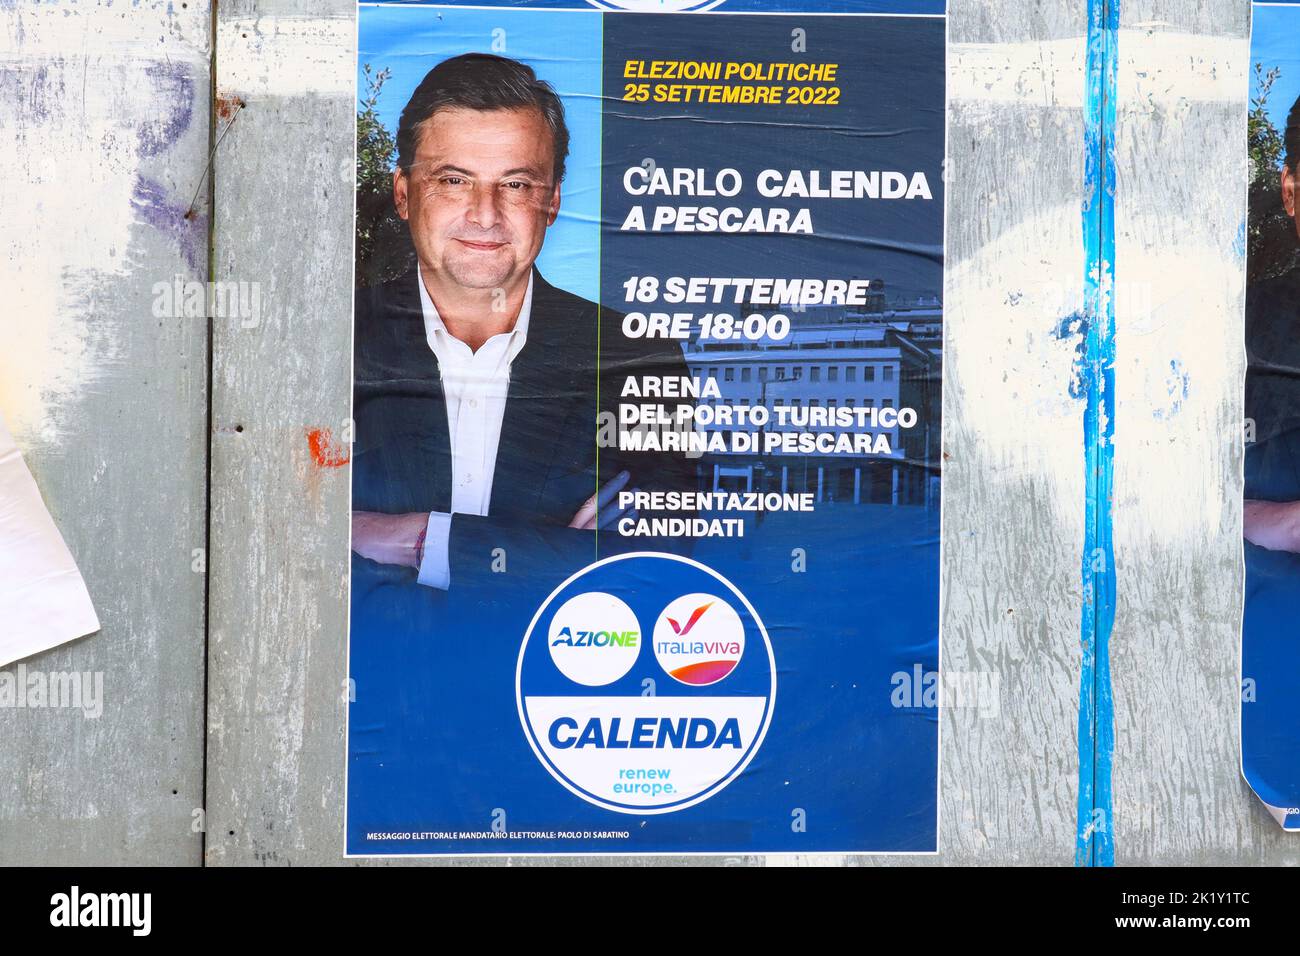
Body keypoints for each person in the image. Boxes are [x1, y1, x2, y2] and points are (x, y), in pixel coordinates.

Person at [350, 53, 693, 591]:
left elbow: (649, 566)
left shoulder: (636, 356)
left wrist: (416, 539)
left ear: (552, 201)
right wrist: (550, 547)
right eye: (454, 180)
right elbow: (279, 537)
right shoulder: (330, 340)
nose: (485, 214)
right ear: (403, 195)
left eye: (515, 185)